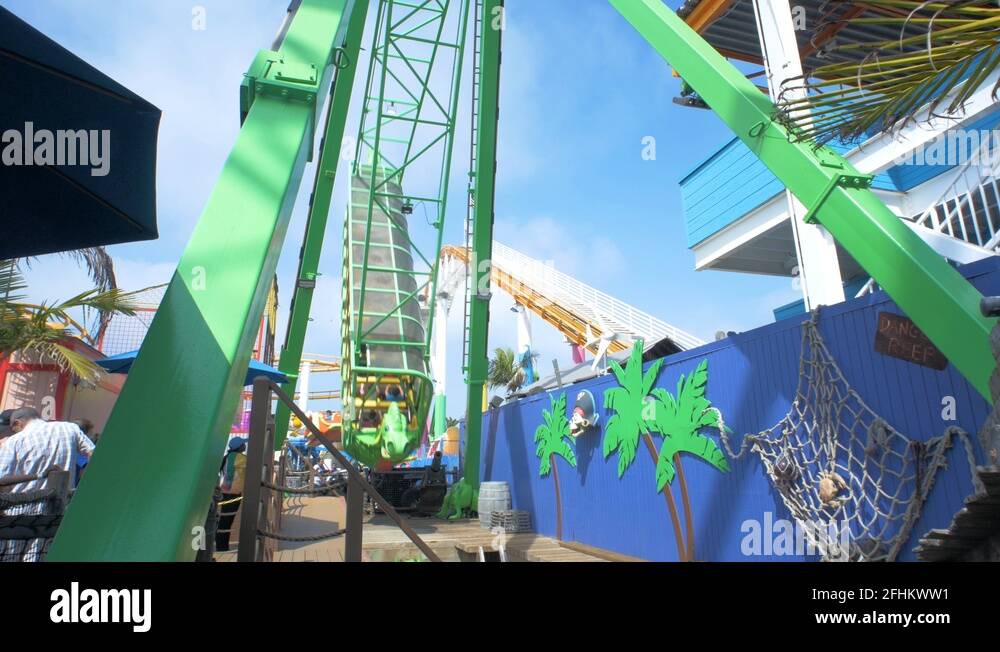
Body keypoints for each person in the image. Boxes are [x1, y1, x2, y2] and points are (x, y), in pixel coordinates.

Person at [0, 408, 94, 561]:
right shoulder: (69, 428)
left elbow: (1, 478)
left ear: (18, 423)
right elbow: (93, 454)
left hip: (18, 512)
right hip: (56, 510)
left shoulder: (14, 441)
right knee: (39, 557)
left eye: (13, 429)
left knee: (10, 558)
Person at [215, 437, 247, 552]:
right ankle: (222, 546)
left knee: (225, 519)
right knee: (227, 520)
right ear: (239, 447)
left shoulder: (227, 457)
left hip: (225, 491)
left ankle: (222, 545)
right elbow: (253, 465)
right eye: (243, 444)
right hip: (233, 493)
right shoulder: (240, 458)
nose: (245, 446)